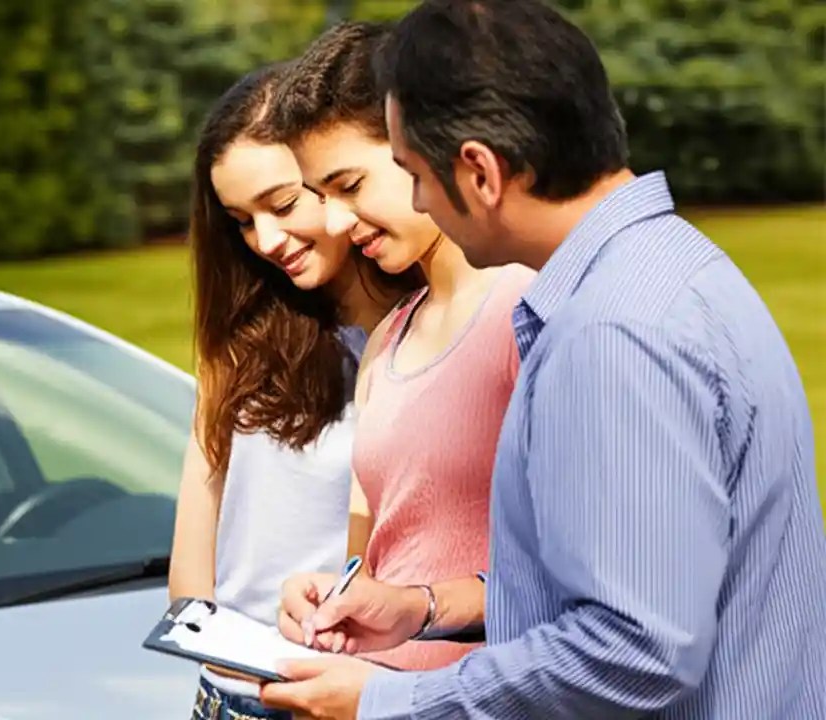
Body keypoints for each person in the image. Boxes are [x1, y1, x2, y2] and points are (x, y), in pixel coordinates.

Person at [261, 1, 826, 718]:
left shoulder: (612, 332)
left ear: (480, 173)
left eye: (412, 174)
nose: (415, 200)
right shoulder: (672, 269)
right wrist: (422, 610)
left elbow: (638, 650)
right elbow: (635, 590)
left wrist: (395, 701)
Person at [264, 20, 535, 673]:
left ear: (417, 146)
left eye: (350, 186)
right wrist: (334, 602)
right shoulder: (388, 336)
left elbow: (582, 586)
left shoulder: (525, 309)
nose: (332, 222)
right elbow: (386, 555)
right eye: (319, 196)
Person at [167, 62, 419, 720]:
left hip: (343, 697)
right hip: (226, 696)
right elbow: (198, 531)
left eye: (282, 204)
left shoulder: (418, 342)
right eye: (242, 221)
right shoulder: (243, 337)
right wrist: (211, 650)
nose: (266, 241)